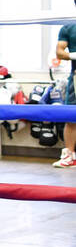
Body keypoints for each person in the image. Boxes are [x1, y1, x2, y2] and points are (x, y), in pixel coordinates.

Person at [54, 23, 76, 168]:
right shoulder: (69, 28)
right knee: (72, 117)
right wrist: (74, 55)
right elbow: (59, 52)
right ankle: (70, 156)